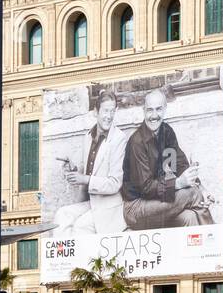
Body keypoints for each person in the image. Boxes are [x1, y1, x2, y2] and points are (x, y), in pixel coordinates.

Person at [122, 89, 214, 229]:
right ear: (143, 111)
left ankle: (200, 247)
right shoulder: (137, 143)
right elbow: (146, 188)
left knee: (189, 217)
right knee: (193, 194)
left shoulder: (166, 132)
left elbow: (179, 165)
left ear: (165, 109)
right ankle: (213, 241)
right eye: (149, 110)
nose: (154, 115)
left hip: (156, 202)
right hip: (136, 208)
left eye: (158, 109)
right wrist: (179, 184)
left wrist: (202, 188)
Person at [53, 90, 128, 238]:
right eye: (105, 111)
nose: (109, 116)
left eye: (112, 111)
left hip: (109, 207)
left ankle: (80, 261)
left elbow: (114, 183)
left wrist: (84, 179)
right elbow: (87, 169)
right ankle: (64, 261)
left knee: (80, 226)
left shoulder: (119, 138)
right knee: (61, 216)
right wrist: (73, 170)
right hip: (91, 203)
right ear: (96, 112)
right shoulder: (88, 136)